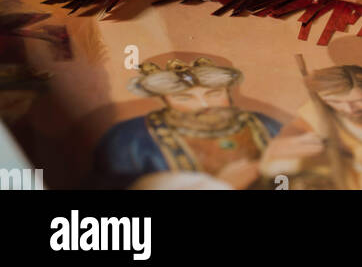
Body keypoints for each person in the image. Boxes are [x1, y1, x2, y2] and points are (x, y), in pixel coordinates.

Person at [93, 56, 281, 188]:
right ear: (164, 100)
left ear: (228, 92)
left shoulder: (264, 125)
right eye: (184, 98)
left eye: (214, 94)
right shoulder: (129, 139)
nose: (204, 105)